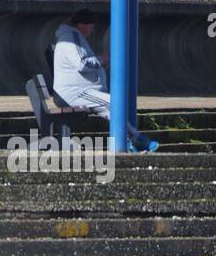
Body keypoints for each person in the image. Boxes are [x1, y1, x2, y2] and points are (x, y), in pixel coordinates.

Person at [51, 9, 156, 152]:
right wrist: (102, 59)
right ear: (81, 24)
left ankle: (132, 141)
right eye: (90, 25)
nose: (92, 29)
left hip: (79, 91)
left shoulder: (74, 37)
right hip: (73, 93)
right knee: (112, 103)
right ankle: (136, 140)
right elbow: (82, 63)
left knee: (115, 103)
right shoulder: (71, 38)